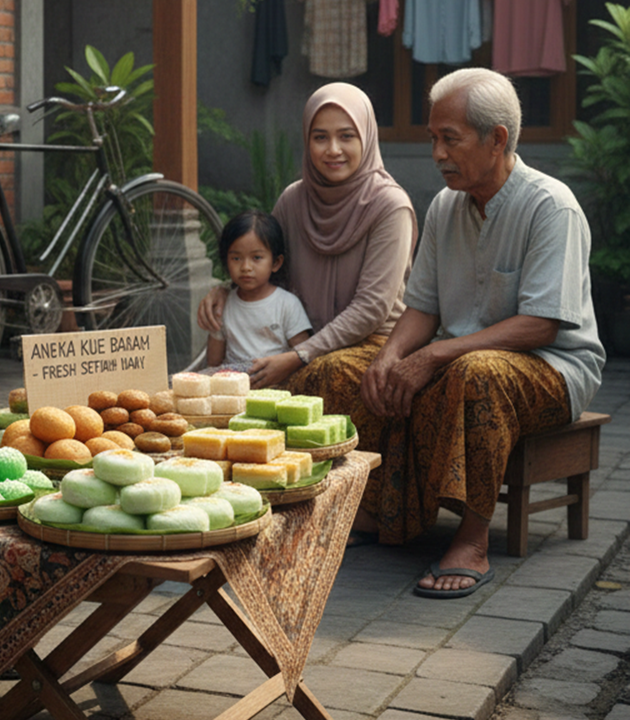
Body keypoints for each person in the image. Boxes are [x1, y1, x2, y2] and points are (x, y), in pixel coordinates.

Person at [359, 67, 605, 599]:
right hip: (460, 356)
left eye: (450, 139)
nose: (437, 154)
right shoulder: (445, 206)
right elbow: (422, 306)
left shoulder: (551, 206)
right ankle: (382, 512)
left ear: (497, 139)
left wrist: (435, 355)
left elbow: (542, 323)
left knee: (477, 374)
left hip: (554, 368)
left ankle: (472, 541)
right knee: (344, 368)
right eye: (433, 138)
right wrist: (390, 355)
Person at [197, 83, 417, 412]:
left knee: (326, 374)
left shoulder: (390, 207)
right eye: (320, 137)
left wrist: (300, 355)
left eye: (347, 136)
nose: (333, 150)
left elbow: (372, 307)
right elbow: (269, 265)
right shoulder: (293, 200)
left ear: (367, 138)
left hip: (372, 343)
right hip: (297, 340)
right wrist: (226, 291)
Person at [205, 210, 312, 370]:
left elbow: (301, 356)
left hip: (276, 379)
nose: (246, 267)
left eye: (256, 258)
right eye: (236, 258)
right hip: (233, 381)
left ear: (275, 263)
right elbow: (213, 362)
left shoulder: (287, 304)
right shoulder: (224, 304)